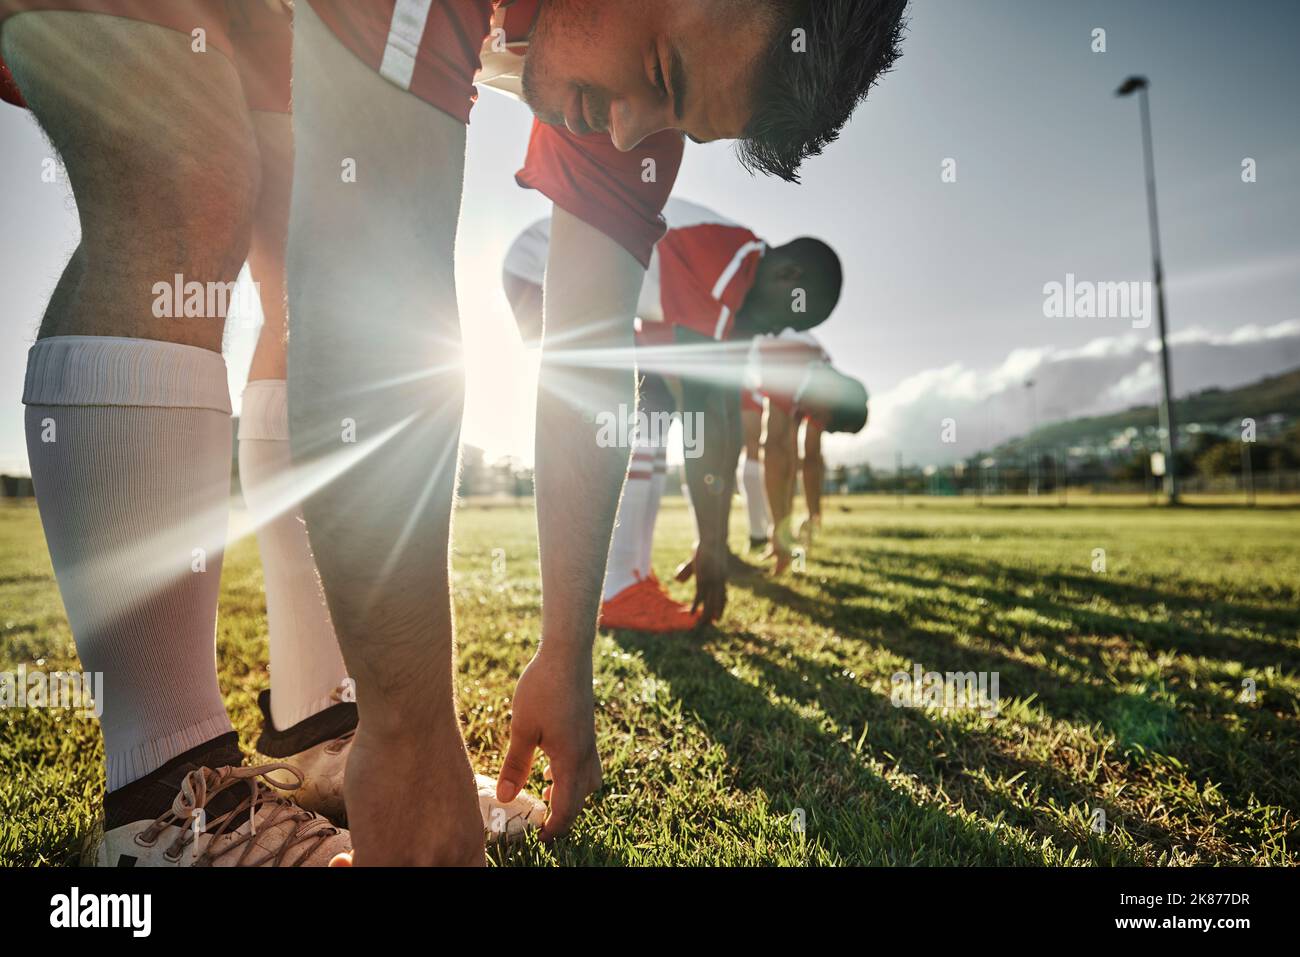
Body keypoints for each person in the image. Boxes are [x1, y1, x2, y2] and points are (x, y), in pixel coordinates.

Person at [3, 0, 908, 866]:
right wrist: (412, 732)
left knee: (285, 238)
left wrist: (567, 651)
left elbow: (587, 367)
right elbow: (371, 296)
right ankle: (161, 790)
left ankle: (315, 719)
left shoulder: (635, 108)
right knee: (183, 175)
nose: (631, 131)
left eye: (676, 116)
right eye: (661, 71)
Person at [503, 197, 844, 630]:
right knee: (620, 418)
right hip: (543, 270)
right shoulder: (724, 262)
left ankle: (633, 579)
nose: (777, 330)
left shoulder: (738, 285)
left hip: (607, 294)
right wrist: (713, 544)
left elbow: (725, 423)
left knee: (653, 413)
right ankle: (616, 587)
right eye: (791, 315)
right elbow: (702, 418)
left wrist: (714, 539)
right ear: (788, 275)